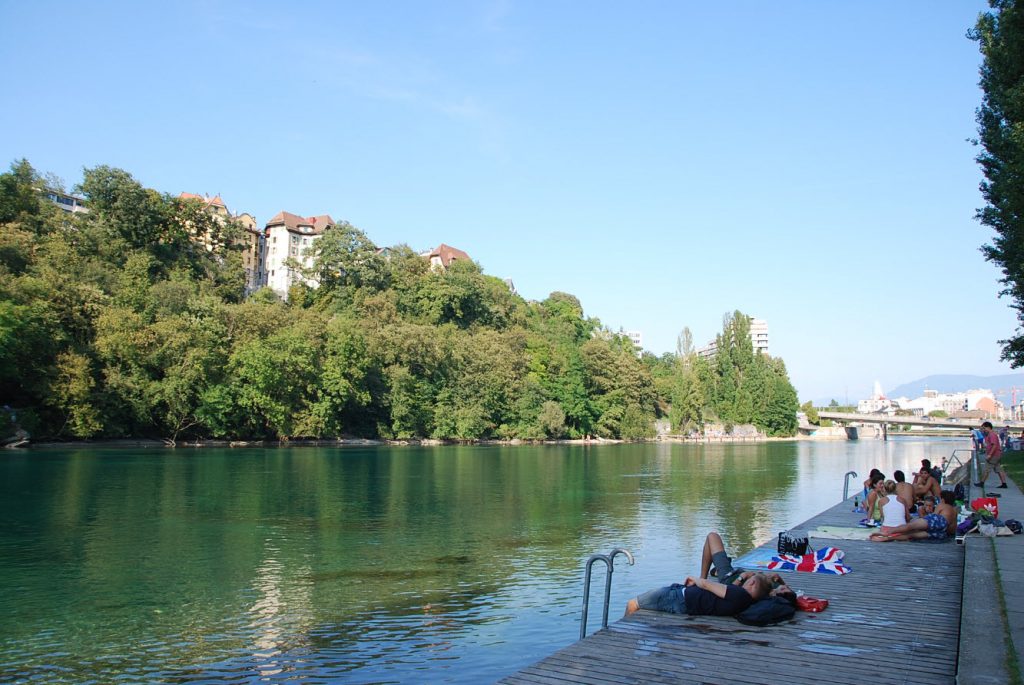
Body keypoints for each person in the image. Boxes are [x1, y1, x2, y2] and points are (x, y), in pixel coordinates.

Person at [624, 532, 773, 617]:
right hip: (683, 599)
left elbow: (708, 584)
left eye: (750, 579)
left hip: (678, 599)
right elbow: (729, 591)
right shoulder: (744, 599)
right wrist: (741, 578)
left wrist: (696, 579)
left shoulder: (739, 595)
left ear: (752, 584)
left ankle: (619, 639)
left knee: (633, 604)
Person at [870, 491, 958, 542]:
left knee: (910, 526)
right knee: (911, 536)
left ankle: (887, 533)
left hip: (938, 520)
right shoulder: (954, 511)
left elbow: (933, 517)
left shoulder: (942, 505)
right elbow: (952, 530)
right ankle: (888, 538)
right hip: (942, 530)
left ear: (943, 499)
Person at [976, 421, 1008, 489]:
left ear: (988, 427)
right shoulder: (990, 435)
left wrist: (990, 455)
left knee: (987, 469)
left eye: (984, 428)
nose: (983, 430)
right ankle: (1004, 484)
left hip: (994, 455)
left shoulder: (992, 435)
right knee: (998, 469)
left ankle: (981, 483)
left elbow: (994, 445)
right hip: (996, 455)